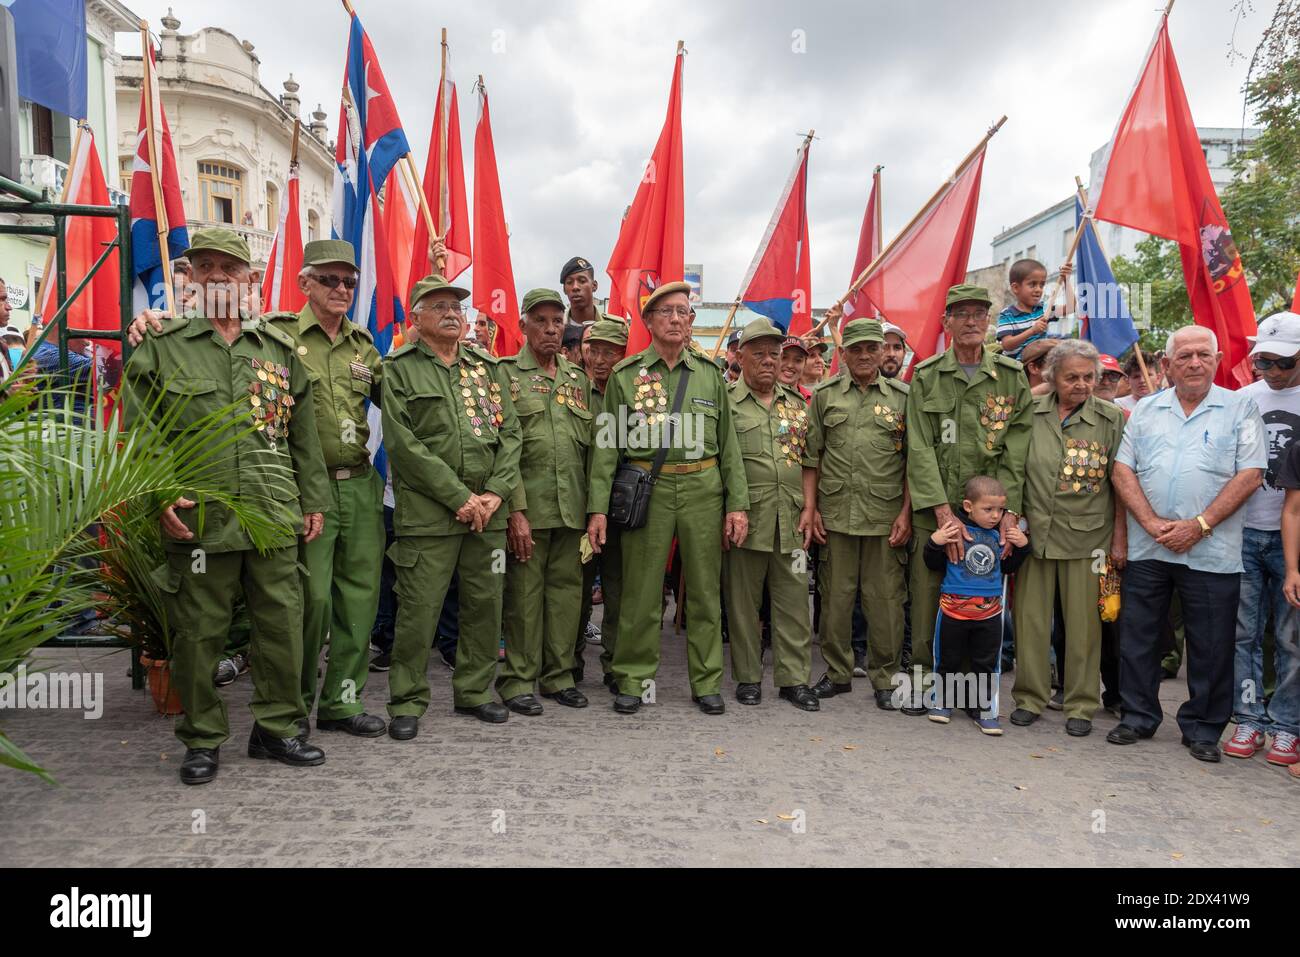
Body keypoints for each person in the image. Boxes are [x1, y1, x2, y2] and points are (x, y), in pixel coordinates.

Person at [122, 227, 331, 785]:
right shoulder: (161, 347)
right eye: (204, 266)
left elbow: (303, 436)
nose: (216, 275)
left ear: (249, 279)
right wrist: (160, 495)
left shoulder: (281, 351)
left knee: (284, 625)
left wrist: (313, 499)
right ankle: (202, 739)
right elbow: (141, 432)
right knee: (197, 634)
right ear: (188, 279)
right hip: (199, 522)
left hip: (272, 513)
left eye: (228, 267)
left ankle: (277, 729)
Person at [587, 281, 750, 715]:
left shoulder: (711, 375)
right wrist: (597, 509)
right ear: (649, 322)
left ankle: (706, 680)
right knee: (641, 591)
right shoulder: (627, 376)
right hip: (648, 491)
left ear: (691, 320)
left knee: (702, 590)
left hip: (703, 489)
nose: (676, 319)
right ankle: (634, 678)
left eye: (683, 312)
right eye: (666, 312)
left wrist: (737, 504)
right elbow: (607, 449)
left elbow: (729, 445)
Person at [1108, 326, 1266, 762]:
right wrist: (1151, 522)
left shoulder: (1240, 408)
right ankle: (1137, 716)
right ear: (1167, 365)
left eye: (1203, 355)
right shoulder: (1145, 410)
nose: (1194, 363)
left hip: (1212, 549)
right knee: (1138, 636)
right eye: (1184, 357)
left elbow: (1250, 475)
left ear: (1216, 360)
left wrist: (1198, 526)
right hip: (1149, 545)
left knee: (1211, 642)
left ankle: (1202, 728)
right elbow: (1123, 471)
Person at [381, 274, 522, 738]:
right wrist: (458, 497)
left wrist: (495, 494)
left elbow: (511, 435)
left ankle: (476, 692)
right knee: (419, 611)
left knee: (485, 606)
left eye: (457, 306)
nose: (451, 313)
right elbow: (404, 445)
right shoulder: (398, 368)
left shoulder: (486, 367)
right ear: (415, 318)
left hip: (488, 513)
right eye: (438, 305)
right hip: (429, 516)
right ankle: (406, 700)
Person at [905, 284, 1033, 702]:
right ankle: (930, 685)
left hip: (990, 519)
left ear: (989, 321)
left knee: (981, 599)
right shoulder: (926, 377)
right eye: (962, 314)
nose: (972, 321)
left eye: (980, 313)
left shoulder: (1011, 378)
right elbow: (920, 447)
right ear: (947, 323)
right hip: (936, 515)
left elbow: (1018, 448)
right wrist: (944, 512)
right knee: (929, 604)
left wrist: (1008, 511)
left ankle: (974, 691)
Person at [1011, 339, 1126, 737]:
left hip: (1088, 539)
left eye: (1088, 377)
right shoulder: (1030, 411)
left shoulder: (1111, 419)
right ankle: (1029, 697)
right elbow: (1013, 469)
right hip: (1033, 536)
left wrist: (1119, 541)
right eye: (1071, 376)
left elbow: (1120, 483)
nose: (1081, 384)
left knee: (1083, 627)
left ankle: (1080, 703)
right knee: (1030, 622)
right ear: (1052, 378)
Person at [497, 288, 593, 715]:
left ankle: (558, 677)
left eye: (558, 322)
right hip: (528, 510)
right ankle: (517, 679)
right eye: (541, 321)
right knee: (523, 598)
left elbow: (592, 452)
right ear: (523, 326)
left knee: (566, 598)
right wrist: (514, 510)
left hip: (571, 509)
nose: (552, 329)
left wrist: (594, 511)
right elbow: (503, 449)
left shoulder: (578, 381)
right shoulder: (504, 375)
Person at [806, 318, 911, 709]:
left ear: (884, 352)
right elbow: (811, 456)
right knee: (835, 598)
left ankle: (884, 678)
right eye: (857, 349)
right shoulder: (825, 396)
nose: (865, 355)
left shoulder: (903, 397)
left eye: (872, 348)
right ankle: (837, 673)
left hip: (886, 517)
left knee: (885, 600)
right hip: (836, 514)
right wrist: (812, 509)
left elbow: (912, 462)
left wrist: (906, 512)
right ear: (843, 355)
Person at [723, 318, 819, 711]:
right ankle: (748, 678)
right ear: (740, 356)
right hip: (747, 518)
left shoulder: (796, 404)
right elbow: (719, 462)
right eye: (758, 353)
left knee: (794, 601)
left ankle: (794, 680)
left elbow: (810, 460)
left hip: (792, 519)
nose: (768, 361)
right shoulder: (726, 402)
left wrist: (811, 508)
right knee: (744, 604)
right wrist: (730, 510)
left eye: (774, 354)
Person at [1224, 312, 1300, 765]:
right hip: (1245, 533)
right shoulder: (1242, 399)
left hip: (1293, 539)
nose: (1271, 372)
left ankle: (1287, 726)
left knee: (1291, 639)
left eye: (1281, 363)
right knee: (1243, 634)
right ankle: (1248, 718)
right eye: (1263, 363)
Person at [923, 475, 1030, 734]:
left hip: (990, 613)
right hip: (953, 609)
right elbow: (933, 563)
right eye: (988, 509)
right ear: (968, 506)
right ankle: (943, 701)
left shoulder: (999, 535)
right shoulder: (955, 530)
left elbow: (1007, 567)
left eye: (1000, 510)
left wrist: (1023, 547)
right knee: (948, 658)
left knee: (986, 661)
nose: (995, 516)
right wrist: (935, 542)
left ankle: (983, 708)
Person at [574, 318, 629, 691]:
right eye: (594, 350)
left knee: (618, 590)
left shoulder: (635, 394)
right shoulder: (572, 391)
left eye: (610, 351)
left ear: (624, 355)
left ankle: (613, 663)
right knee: (575, 590)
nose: (600, 358)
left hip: (623, 511)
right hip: (579, 509)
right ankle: (570, 662)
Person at [995, 258, 1075, 361]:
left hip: (1040, 362)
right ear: (1015, 288)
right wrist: (1032, 330)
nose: (1038, 289)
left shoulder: (1043, 309)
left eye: (1041, 285)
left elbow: (1070, 307)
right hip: (1017, 368)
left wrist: (1066, 281)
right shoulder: (1007, 315)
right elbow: (1007, 345)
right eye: (1032, 284)